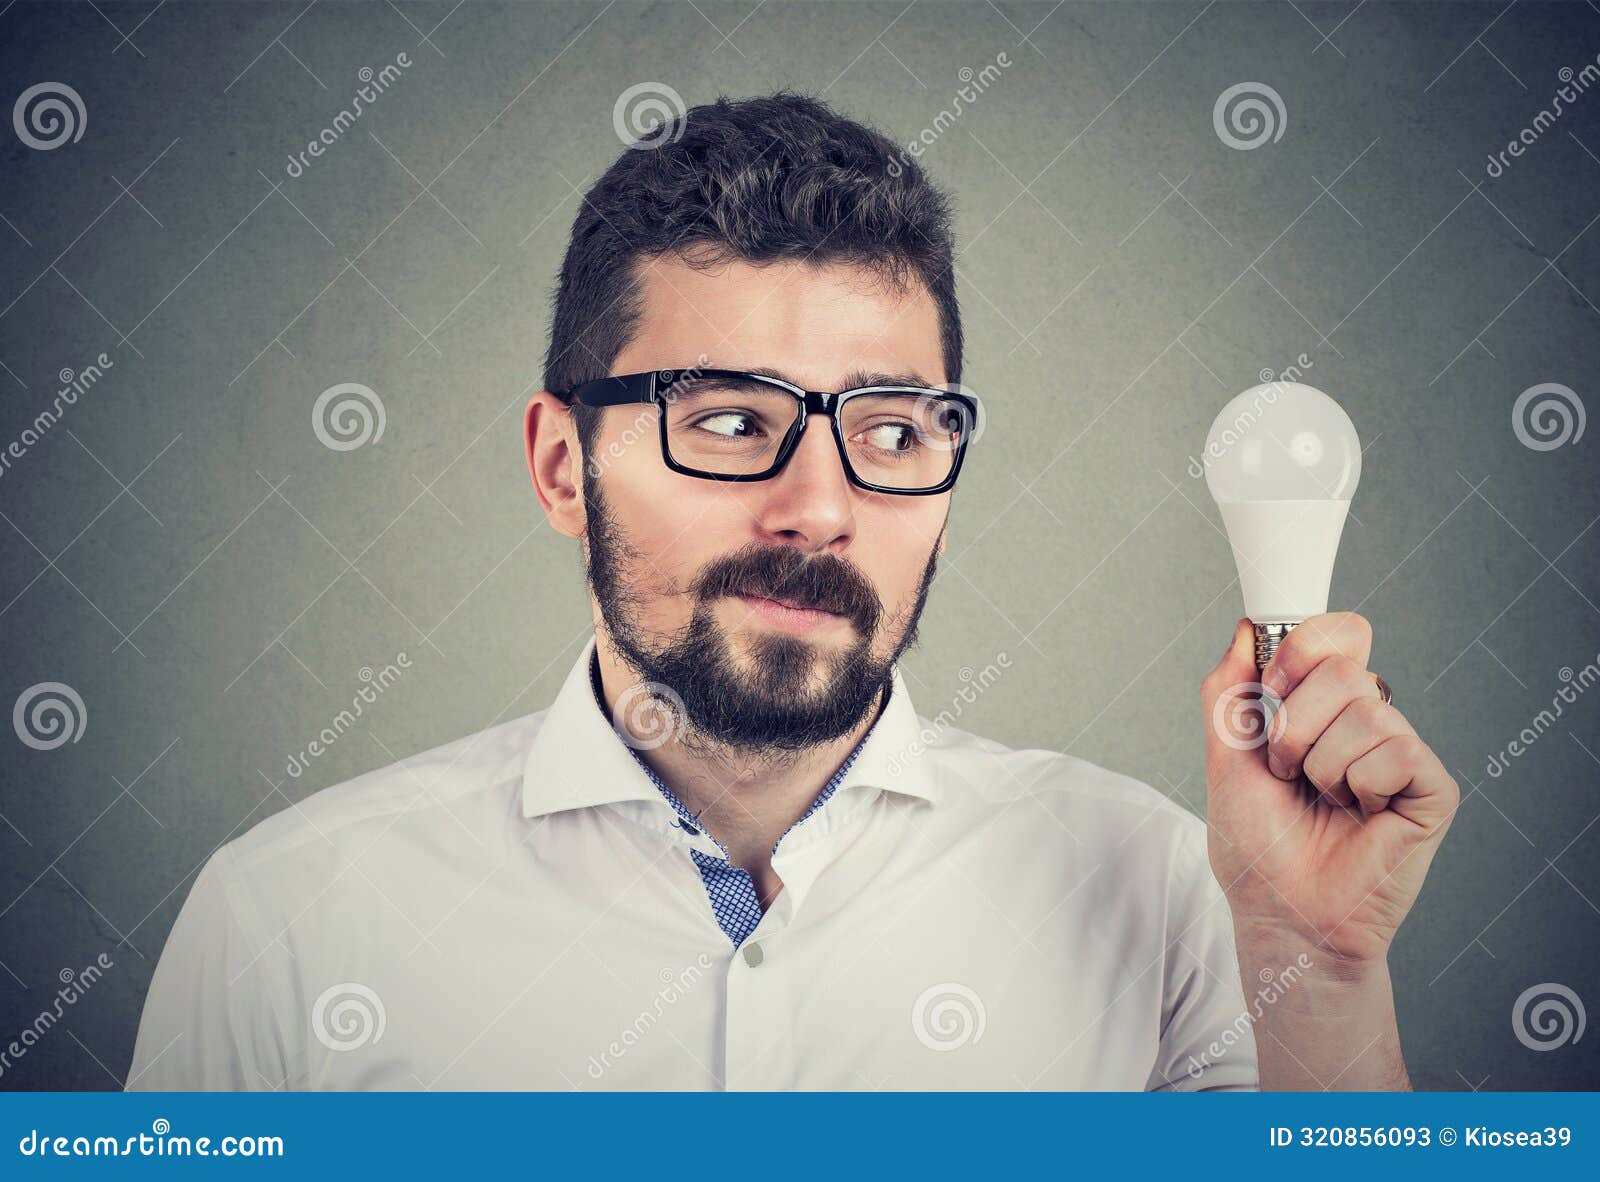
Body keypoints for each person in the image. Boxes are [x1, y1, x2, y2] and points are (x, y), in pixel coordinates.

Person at [127, 92, 1458, 1091]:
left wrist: (1319, 972)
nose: (819, 507)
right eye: (721, 421)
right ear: (559, 465)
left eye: (889, 432)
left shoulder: (1170, 893)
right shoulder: (285, 926)